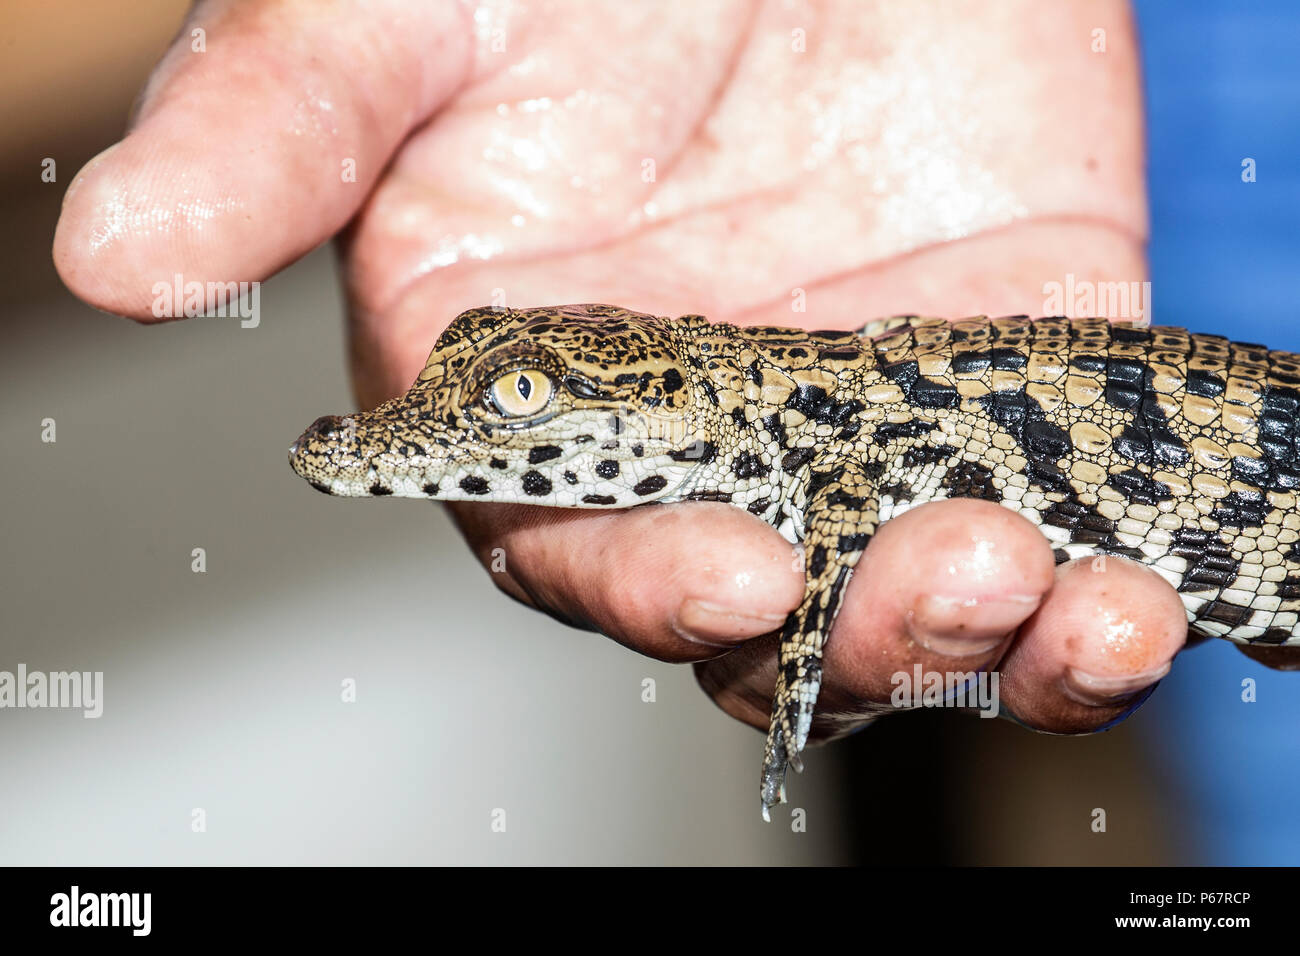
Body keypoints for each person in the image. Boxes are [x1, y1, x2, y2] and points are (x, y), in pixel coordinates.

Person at [51, 0, 1296, 756]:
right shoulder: (799, 422)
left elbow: (853, 494)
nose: (436, 422)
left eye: (524, 397)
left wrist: (808, 645)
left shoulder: (835, 438)